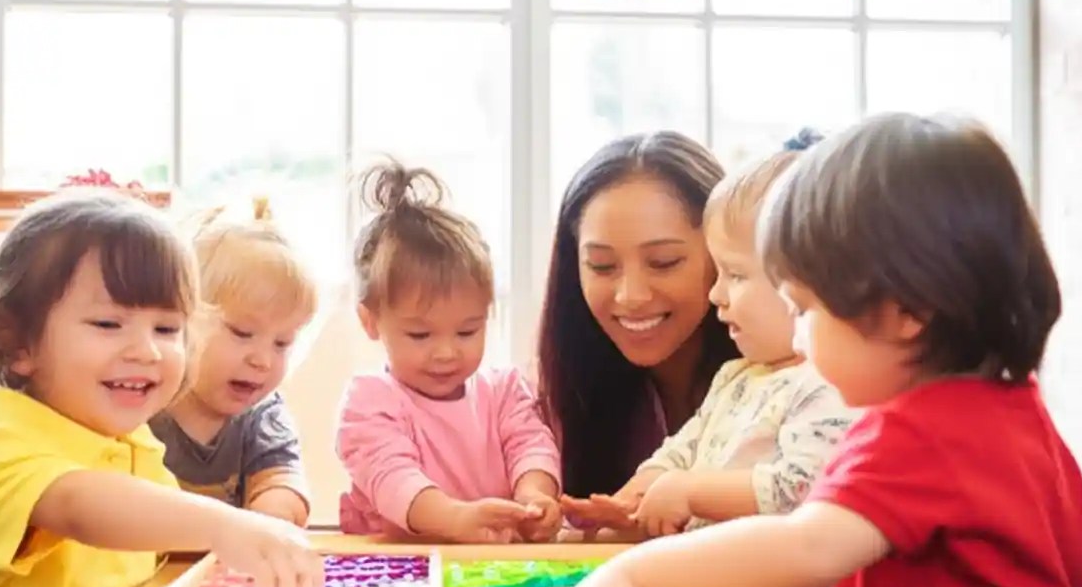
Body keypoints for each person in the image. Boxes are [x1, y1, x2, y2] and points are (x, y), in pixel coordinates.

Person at [503, 114, 1082, 587]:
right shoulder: (1020, 418)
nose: (801, 338)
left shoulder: (920, 435)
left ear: (907, 313)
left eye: (806, 309)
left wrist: (637, 572)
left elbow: (804, 545)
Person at [0, 189, 323, 587]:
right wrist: (225, 524)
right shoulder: (4, 443)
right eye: (109, 324)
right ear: (16, 342)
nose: (146, 350)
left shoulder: (136, 443)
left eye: (168, 328)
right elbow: (79, 506)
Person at [581, 138, 856, 587]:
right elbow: (683, 447)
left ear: (808, 284)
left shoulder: (828, 387)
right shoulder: (737, 376)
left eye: (734, 275)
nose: (714, 296)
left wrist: (690, 491)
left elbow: (799, 492)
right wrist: (639, 494)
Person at [335, 160, 562, 543]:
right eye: (420, 335)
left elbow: (531, 444)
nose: (446, 352)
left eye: (467, 330)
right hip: (400, 566)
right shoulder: (369, 401)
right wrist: (454, 518)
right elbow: (390, 476)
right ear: (371, 321)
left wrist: (535, 497)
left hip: (491, 566)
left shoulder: (504, 390)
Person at [536, 132, 739, 507]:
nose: (630, 295)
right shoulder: (559, 405)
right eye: (602, 266)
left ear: (722, 254)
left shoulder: (784, 385)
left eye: (663, 262)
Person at [151, 197, 316, 526]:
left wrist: (270, 521)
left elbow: (283, 483)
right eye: (242, 333)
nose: (263, 360)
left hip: (223, 571)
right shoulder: (144, 405)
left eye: (282, 343)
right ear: (181, 319)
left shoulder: (263, 415)